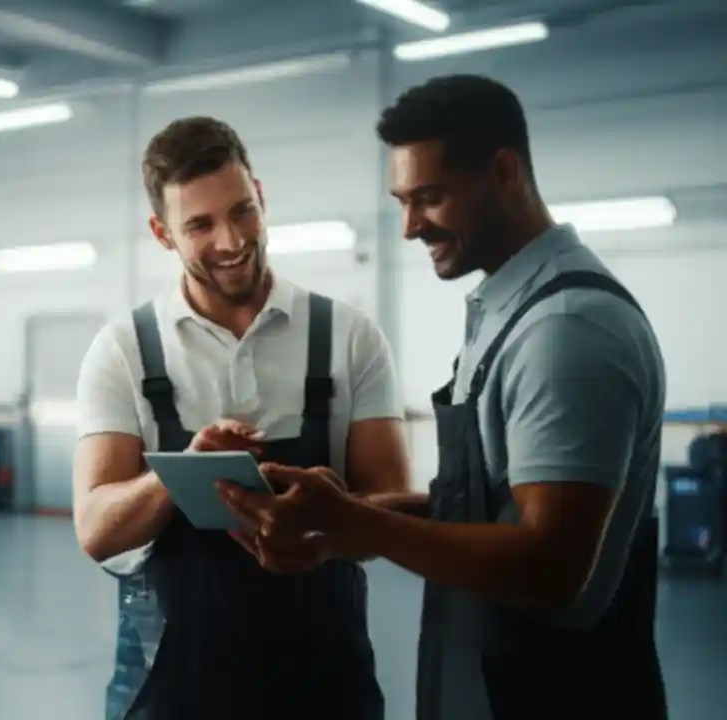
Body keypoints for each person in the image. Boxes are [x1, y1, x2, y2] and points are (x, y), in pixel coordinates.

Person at [219, 74, 669, 719]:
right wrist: (337, 521)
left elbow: (550, 564)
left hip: (553, 696)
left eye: (429, 197)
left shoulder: (565, 328)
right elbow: (494, 507)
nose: (409, 227)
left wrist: (355, 521)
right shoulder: (509, 311)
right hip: (496, 683)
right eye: (402, 200)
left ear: (506, 172)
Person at [71, 115, 412, 720]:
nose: (231, 241)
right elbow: (96, 527)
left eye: (242, 211)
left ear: (261, 195)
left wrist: (327, 526)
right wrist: (180, 475)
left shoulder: (348, 337)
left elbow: (394, 498)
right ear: (162, 233)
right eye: (200, 225)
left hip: (324, 686)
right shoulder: (123, 349)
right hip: (172, 688)